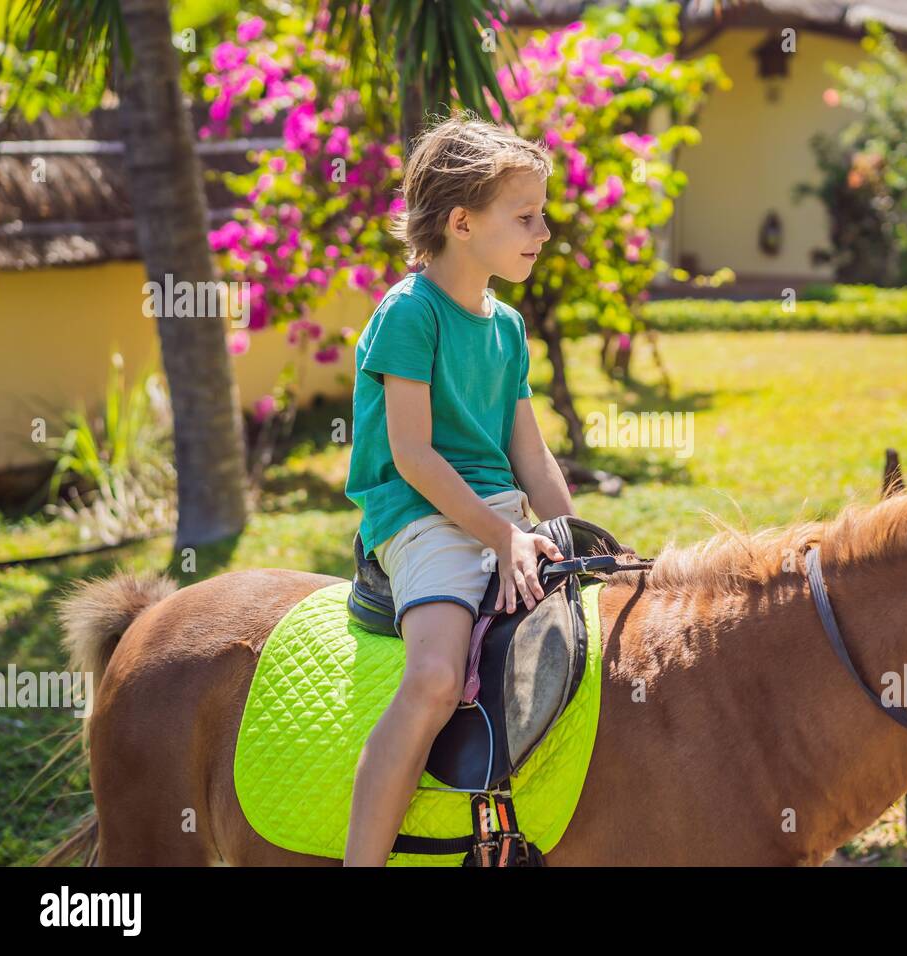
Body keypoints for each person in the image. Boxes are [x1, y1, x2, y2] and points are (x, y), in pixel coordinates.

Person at [341, 111, 575, 866]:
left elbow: (531, 459)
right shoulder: (408, 314)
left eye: (543, 214)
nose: (544, 231)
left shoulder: (506, 326)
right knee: (438, 677)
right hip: (421, 519)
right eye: (526, 216)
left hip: (501, 514)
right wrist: (502, 536)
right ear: (462, 222)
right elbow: (412, 456)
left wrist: (576, 538)